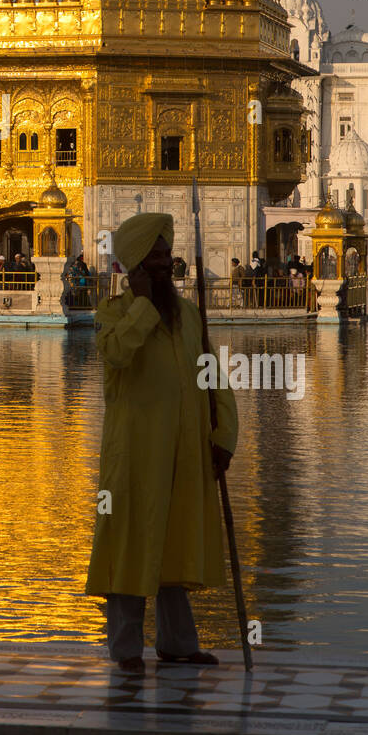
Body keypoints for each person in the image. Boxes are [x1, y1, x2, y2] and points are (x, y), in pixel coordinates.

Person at [85, 212, 238, 674]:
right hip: (135, 457)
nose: (163, 263)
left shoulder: (188, 315)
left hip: (185, 452)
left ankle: (176, 643)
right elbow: (116, 354)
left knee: (176, 545)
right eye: (152, 257)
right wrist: (144, 305)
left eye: (166, 254)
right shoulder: (112, 315)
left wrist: (224, 436)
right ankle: (127, 649)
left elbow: (214, 379)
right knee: (129, 547)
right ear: (132, 266)